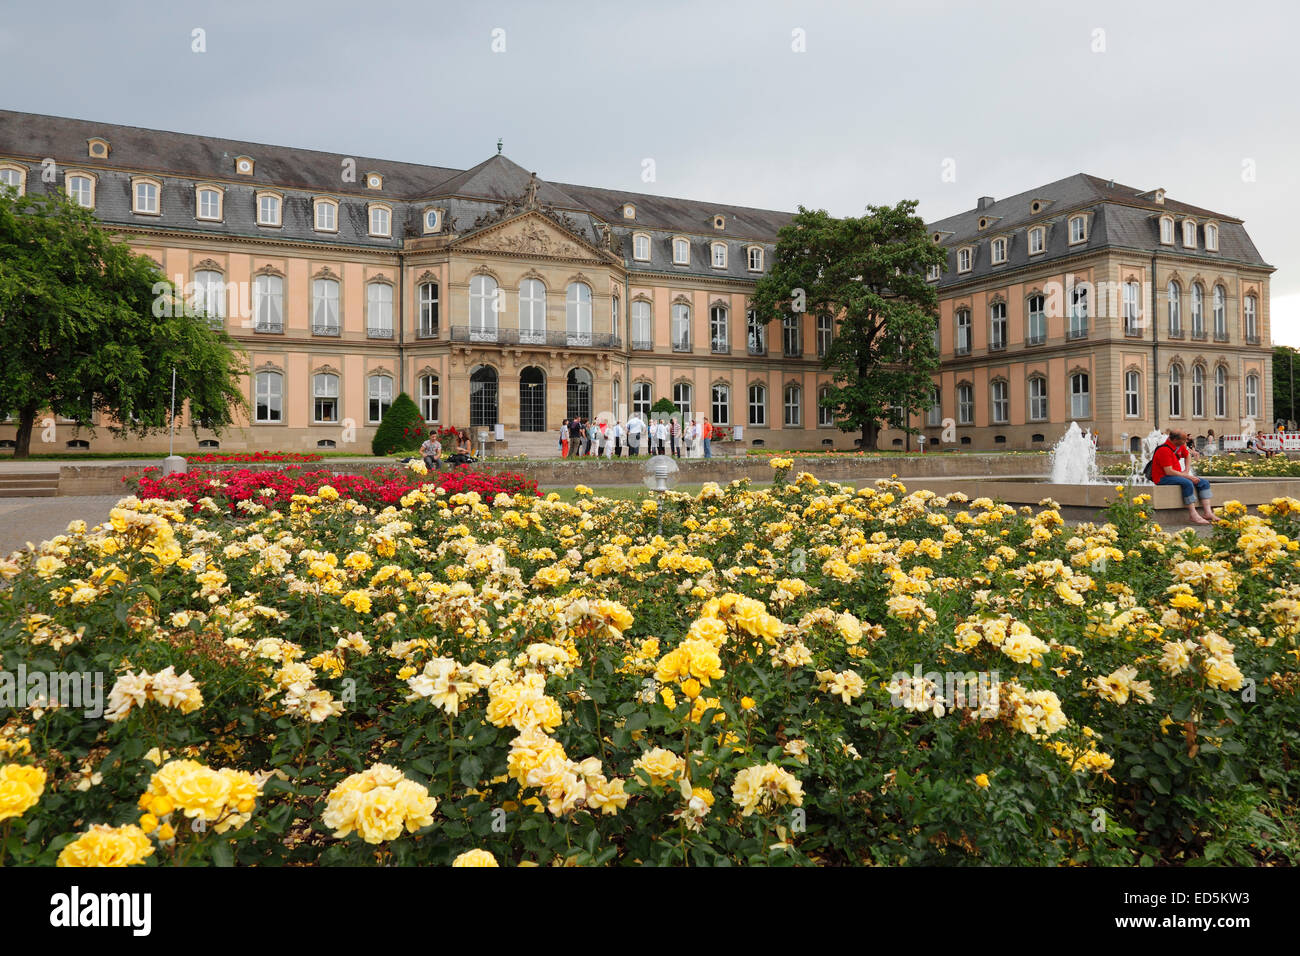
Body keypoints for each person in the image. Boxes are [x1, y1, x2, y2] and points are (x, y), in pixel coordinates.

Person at [1152, 428, 1215, 525]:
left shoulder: (1179, 446)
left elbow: (1187, 455)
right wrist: (1187, 476)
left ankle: (1208, 513)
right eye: (1184, 440)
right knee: (1187, 483)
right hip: (1162, 478)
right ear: (1175, 440)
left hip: (1176, 475)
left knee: (1203, 482)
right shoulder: (1163, 450)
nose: (1186, 441)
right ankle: (1193, 514)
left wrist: (1186, 470)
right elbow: (1168, 471)